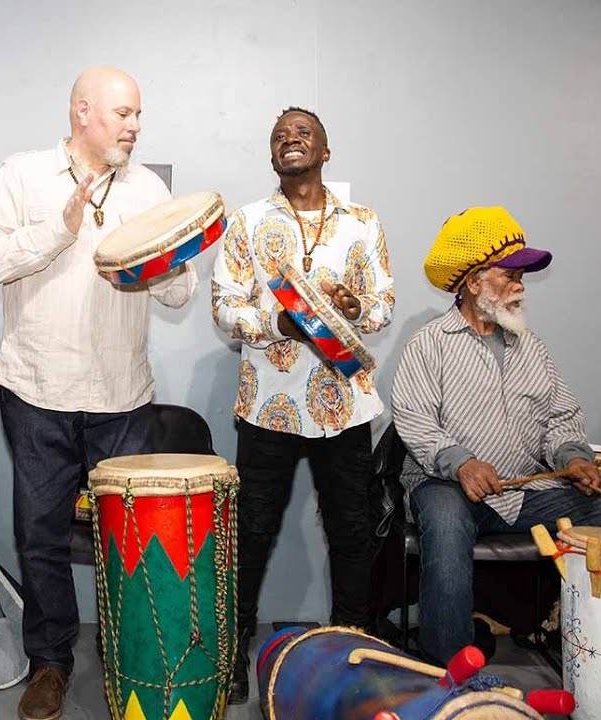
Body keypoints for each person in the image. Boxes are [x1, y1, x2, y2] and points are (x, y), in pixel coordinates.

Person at [0, 65, 196, 720]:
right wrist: (57, 231)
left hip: (123, 396)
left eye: (139, 115)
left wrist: (168, 262)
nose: (135, 126)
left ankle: (139, 659)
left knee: (135, 541)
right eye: (124, 114)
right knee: (40, 536)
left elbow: (180, 293)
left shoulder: (148, 187)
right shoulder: (23, 175)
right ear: (81, 111)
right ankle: (50, 664)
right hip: (36, 389)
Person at [210, 106, 394, 703]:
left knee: (352, 531)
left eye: (303, 133)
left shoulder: (362, 222)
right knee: (253, 533)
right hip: (268, 403)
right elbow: (224, 306)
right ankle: (232, 656)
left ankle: (353, 652)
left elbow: (383, 303)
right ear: (272, 158)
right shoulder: (247, 221)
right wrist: (278, 322)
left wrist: (351, 305)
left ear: (325, 150)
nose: (291, 140)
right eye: (280, 136)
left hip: (345, 404)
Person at [390, 206, 601, 666]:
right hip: (448, 486)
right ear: (473, 282)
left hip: (525, 490)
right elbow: (413, 418)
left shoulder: (531, 346)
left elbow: (561, 414)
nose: (520, 286)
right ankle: (449, 672)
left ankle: (589, 648)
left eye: (522, 277)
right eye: (510, 275)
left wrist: (574, 457)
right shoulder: (428, 343)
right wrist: (462, 462)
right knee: (448, 524)